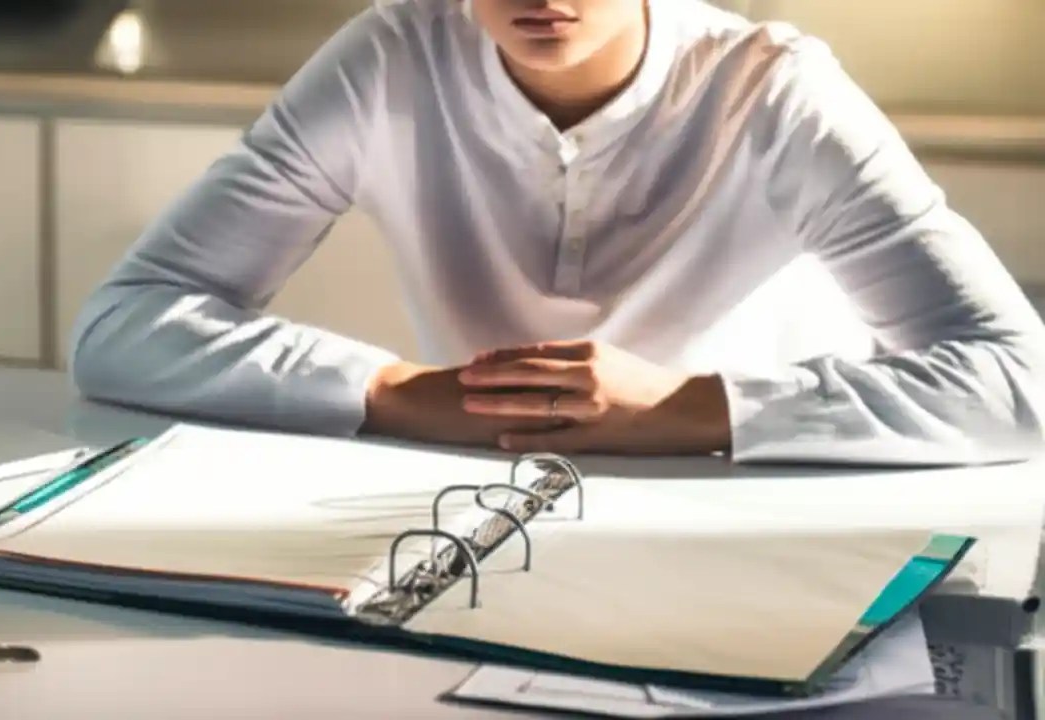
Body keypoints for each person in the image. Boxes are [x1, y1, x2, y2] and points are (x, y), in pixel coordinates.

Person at [69, 0, 1045, 465]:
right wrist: (401, 393)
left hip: (765, 502)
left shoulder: (772, 89)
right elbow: (121, 327)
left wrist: (683, 406)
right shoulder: (388, 61)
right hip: (501, 508)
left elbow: (1016, 382)